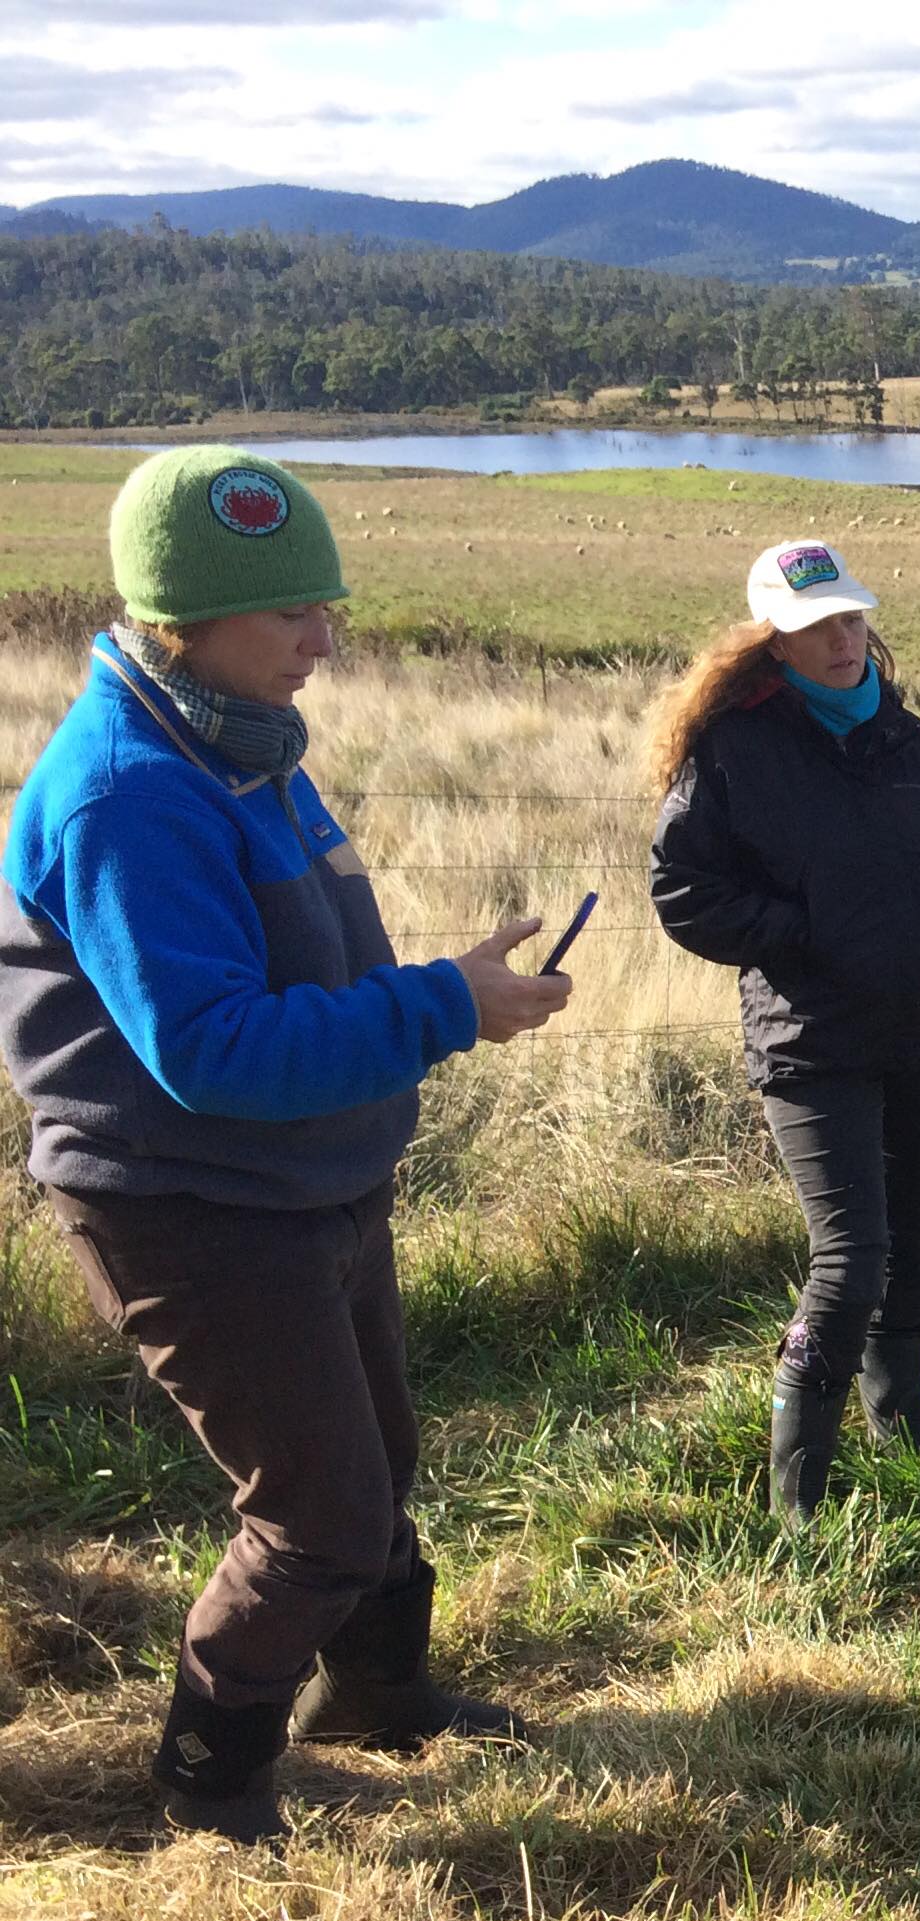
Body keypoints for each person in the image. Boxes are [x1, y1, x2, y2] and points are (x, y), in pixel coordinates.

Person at [0, 447, 572, 1842]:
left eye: (329, 604)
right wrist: (447, 1005)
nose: (325, 642)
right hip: (189, 1208)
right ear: (179, 622)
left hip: (308, 1180)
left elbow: (291, 984)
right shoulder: (131, 795)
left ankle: (379, 1697)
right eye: (290, 615)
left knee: (377, 1456)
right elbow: (211, 1051)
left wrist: (442, 988)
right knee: (315, 1513)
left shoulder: (240, 743)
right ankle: (212, 1787)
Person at [648, 538, 920, 1521]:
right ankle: (795, 1495)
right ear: (774, 642)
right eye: (816, 625)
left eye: (852, 618)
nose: (844, 638)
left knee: (913, 1246)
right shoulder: (735, 752)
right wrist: (806, 941)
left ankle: (909, 1445)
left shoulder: (906, 737)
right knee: (851, 1265)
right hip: (814, 1043)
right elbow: (683, 891)